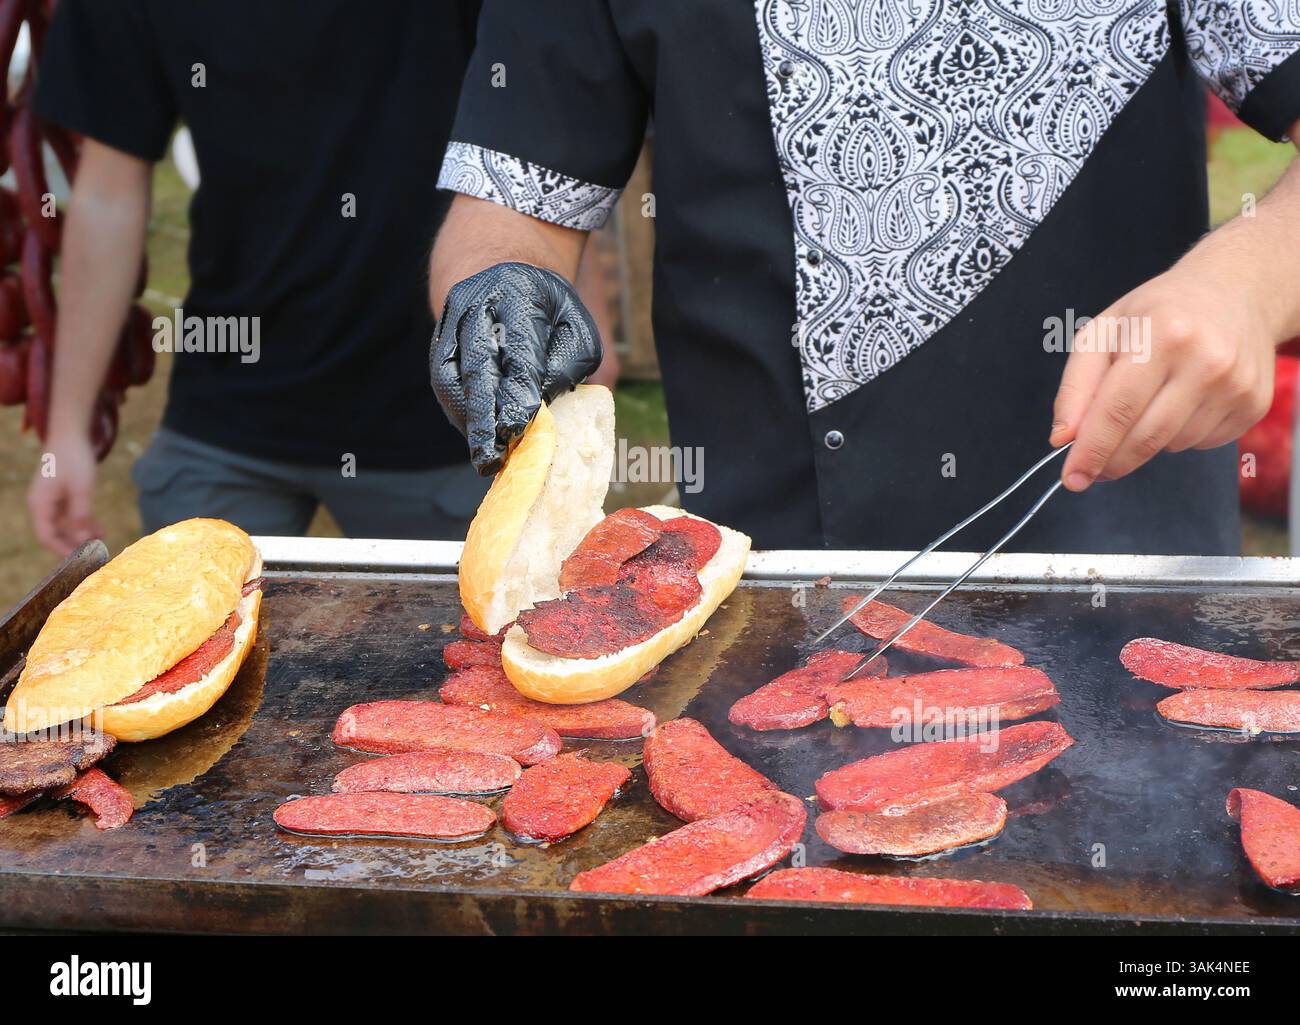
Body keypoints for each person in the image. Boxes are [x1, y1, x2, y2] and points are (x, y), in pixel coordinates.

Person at [429, 1, 1300, 555]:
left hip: (1118, 561)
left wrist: (1246, 284)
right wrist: (496, 295)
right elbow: (506, 211)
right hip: (761, 578)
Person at [27, 0, 616, 555]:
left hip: (453, 409)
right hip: (227, 406)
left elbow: (534, 138)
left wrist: (586, 322)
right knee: (188, 645)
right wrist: (68, 428)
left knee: (483, 646)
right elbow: (105, 198)